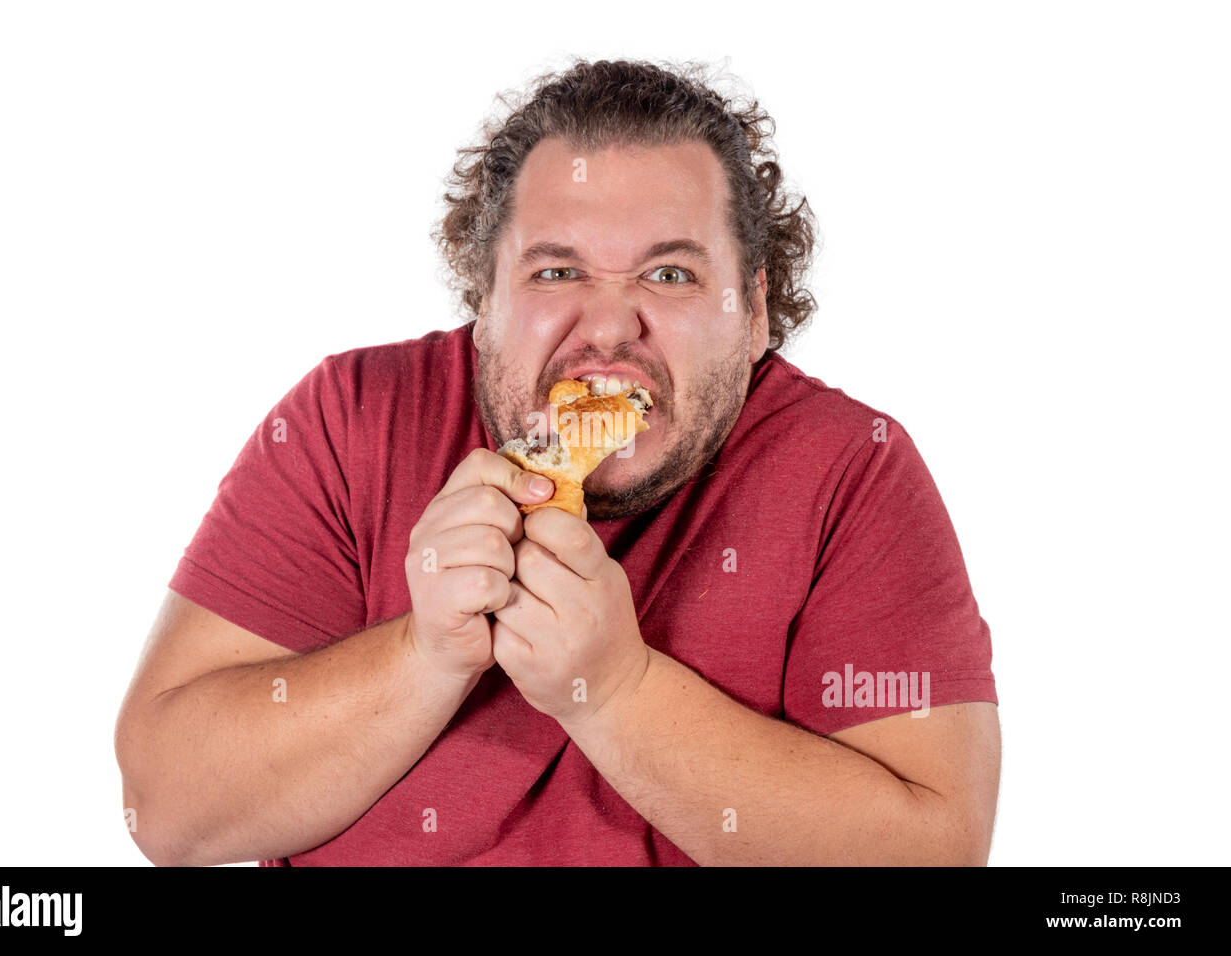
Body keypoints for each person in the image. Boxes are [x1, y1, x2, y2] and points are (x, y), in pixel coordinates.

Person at [114, 57, 1000, 867]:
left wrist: (615, 691)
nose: (610, 328)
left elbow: (934, 852)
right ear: (484, 296)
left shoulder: (850, 469)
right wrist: (426, 656)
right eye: (554, 273)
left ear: (756, 306)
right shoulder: (353, 421)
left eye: (668, 276)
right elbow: (167, 810)